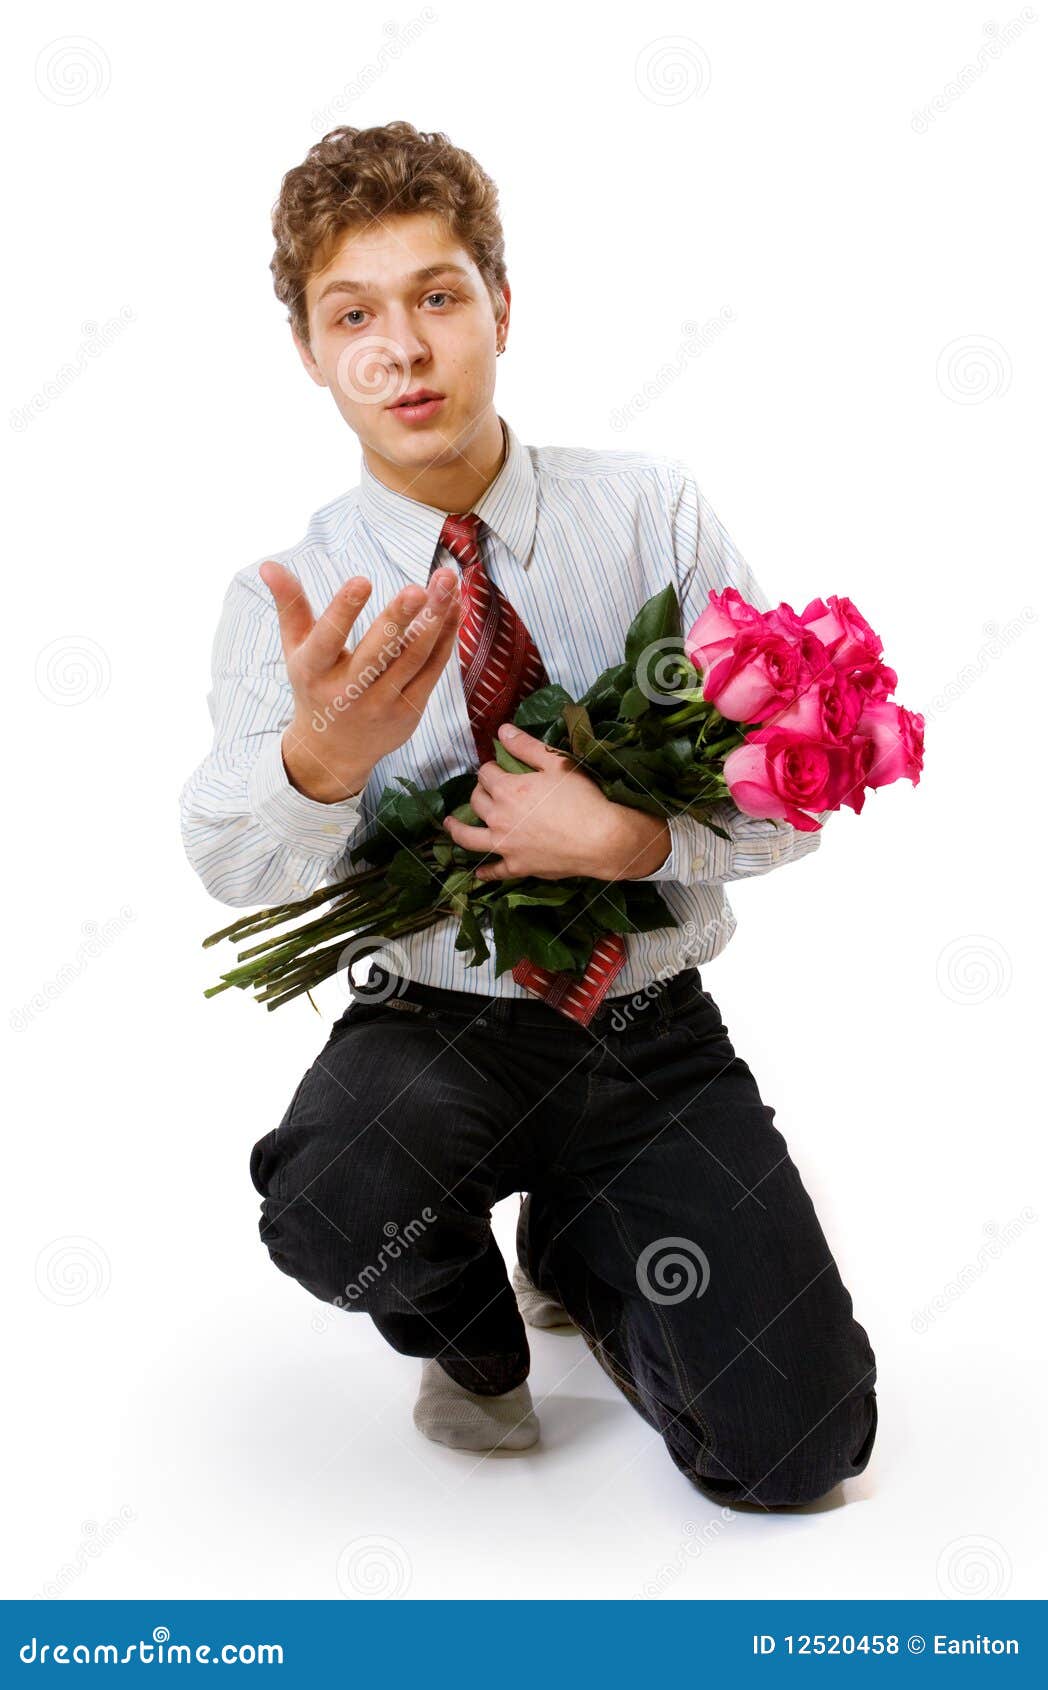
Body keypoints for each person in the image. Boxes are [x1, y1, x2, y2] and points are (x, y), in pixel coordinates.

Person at [179, 121, 877, 1508]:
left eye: (438, 295)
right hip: (438, 1031)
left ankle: (586, 1243)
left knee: (796, 1452)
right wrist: (320, 759)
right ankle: (478, 1341)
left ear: (501, 303)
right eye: (353, 315)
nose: (405, 348)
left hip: (646, 1033)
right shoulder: (294, 594)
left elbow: (800, 787)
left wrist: (638, 842)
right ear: (312, 355)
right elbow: (225, 863)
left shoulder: (652, 514)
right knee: (333, 1195)